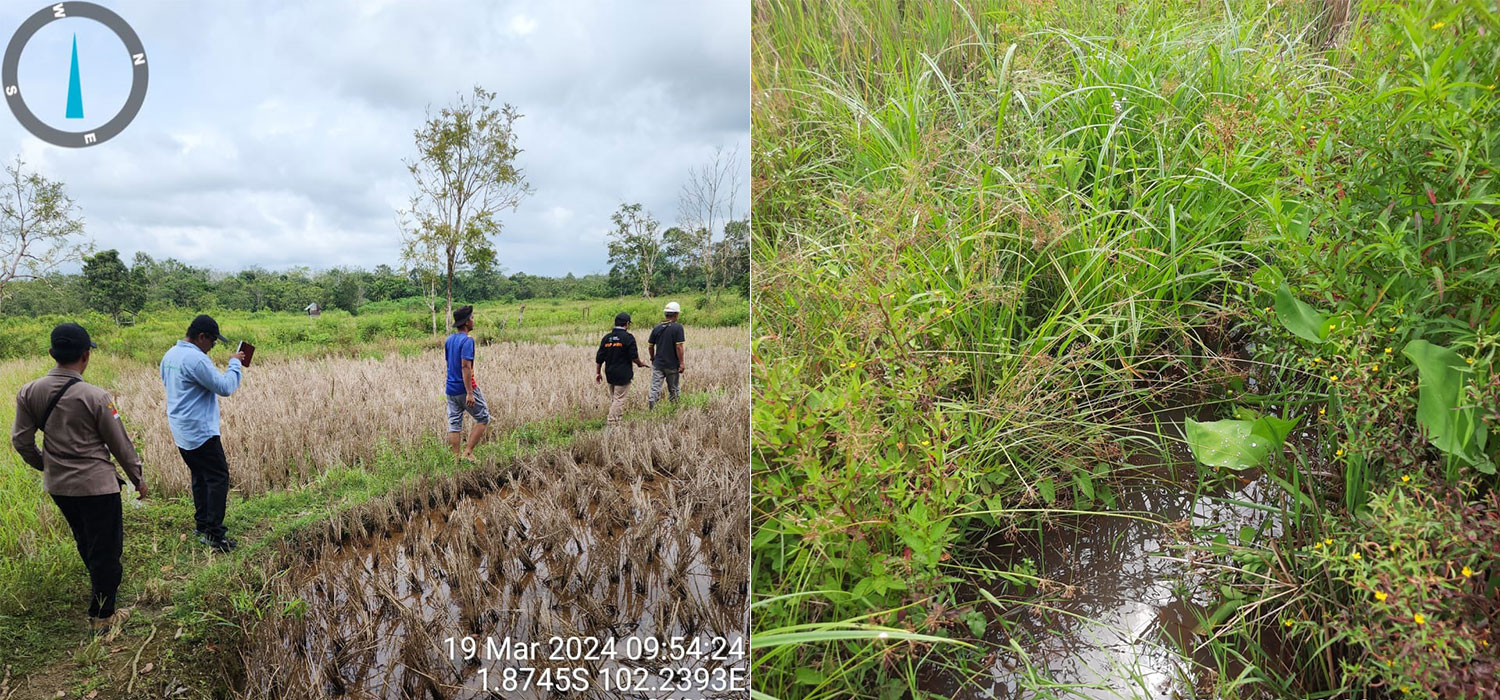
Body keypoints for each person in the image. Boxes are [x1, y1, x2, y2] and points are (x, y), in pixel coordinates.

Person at [12, 323, 145, 638]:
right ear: (86, 355)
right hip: (97, 486)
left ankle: (102, 598)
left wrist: (48, 465)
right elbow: (119, 444)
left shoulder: (28, 392)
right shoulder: (96, 396)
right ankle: (103, 616)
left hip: (60, 487)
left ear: (51, 353)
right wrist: (137, 477)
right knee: (107, 549)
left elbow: (21, 441)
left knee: (86, 541)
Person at [160, 314, 244, 552]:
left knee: (199, 476)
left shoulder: (170, 355)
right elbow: (225, 387)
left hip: (181, 430)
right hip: (200, 431)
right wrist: (234, 363)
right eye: (213, 341)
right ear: (201, 337)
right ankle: (215, 535)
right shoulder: (196, 359)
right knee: (218, 479)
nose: (213, 346)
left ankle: (202, 526)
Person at [445, 305, 490, 460]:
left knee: (454, 423)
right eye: (471, 318)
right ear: (466, 323)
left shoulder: (449, 340)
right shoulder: (467, 341)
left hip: (450, 389)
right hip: (465, 388)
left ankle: (455, 458)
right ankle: (468, 452)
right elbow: (465, 366)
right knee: (483, 417)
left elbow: (450, 364)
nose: (473, 320)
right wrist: (470, 393)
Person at [595, 312, 649, 428]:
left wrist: (598, 373)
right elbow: (634, 356)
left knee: (614, 398)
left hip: (609, 373)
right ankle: (611, 423)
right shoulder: (628, 337)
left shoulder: (606, 338)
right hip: (623, 374)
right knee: (619, 399)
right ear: (627, 323)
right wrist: (640, 364)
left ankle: (617, 422)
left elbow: (599, 358)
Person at [647, 301, 687, 409]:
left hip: (658, 364)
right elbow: (679, 347)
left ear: (666, 314)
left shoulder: (657, 328)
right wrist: (682, 363)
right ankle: (674, 408)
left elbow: (650, 346)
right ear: (676, 314)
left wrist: (652, 358)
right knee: (673, 388)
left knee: (655, 388)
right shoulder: (678, 328)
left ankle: (652, 408)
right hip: (672, 365)